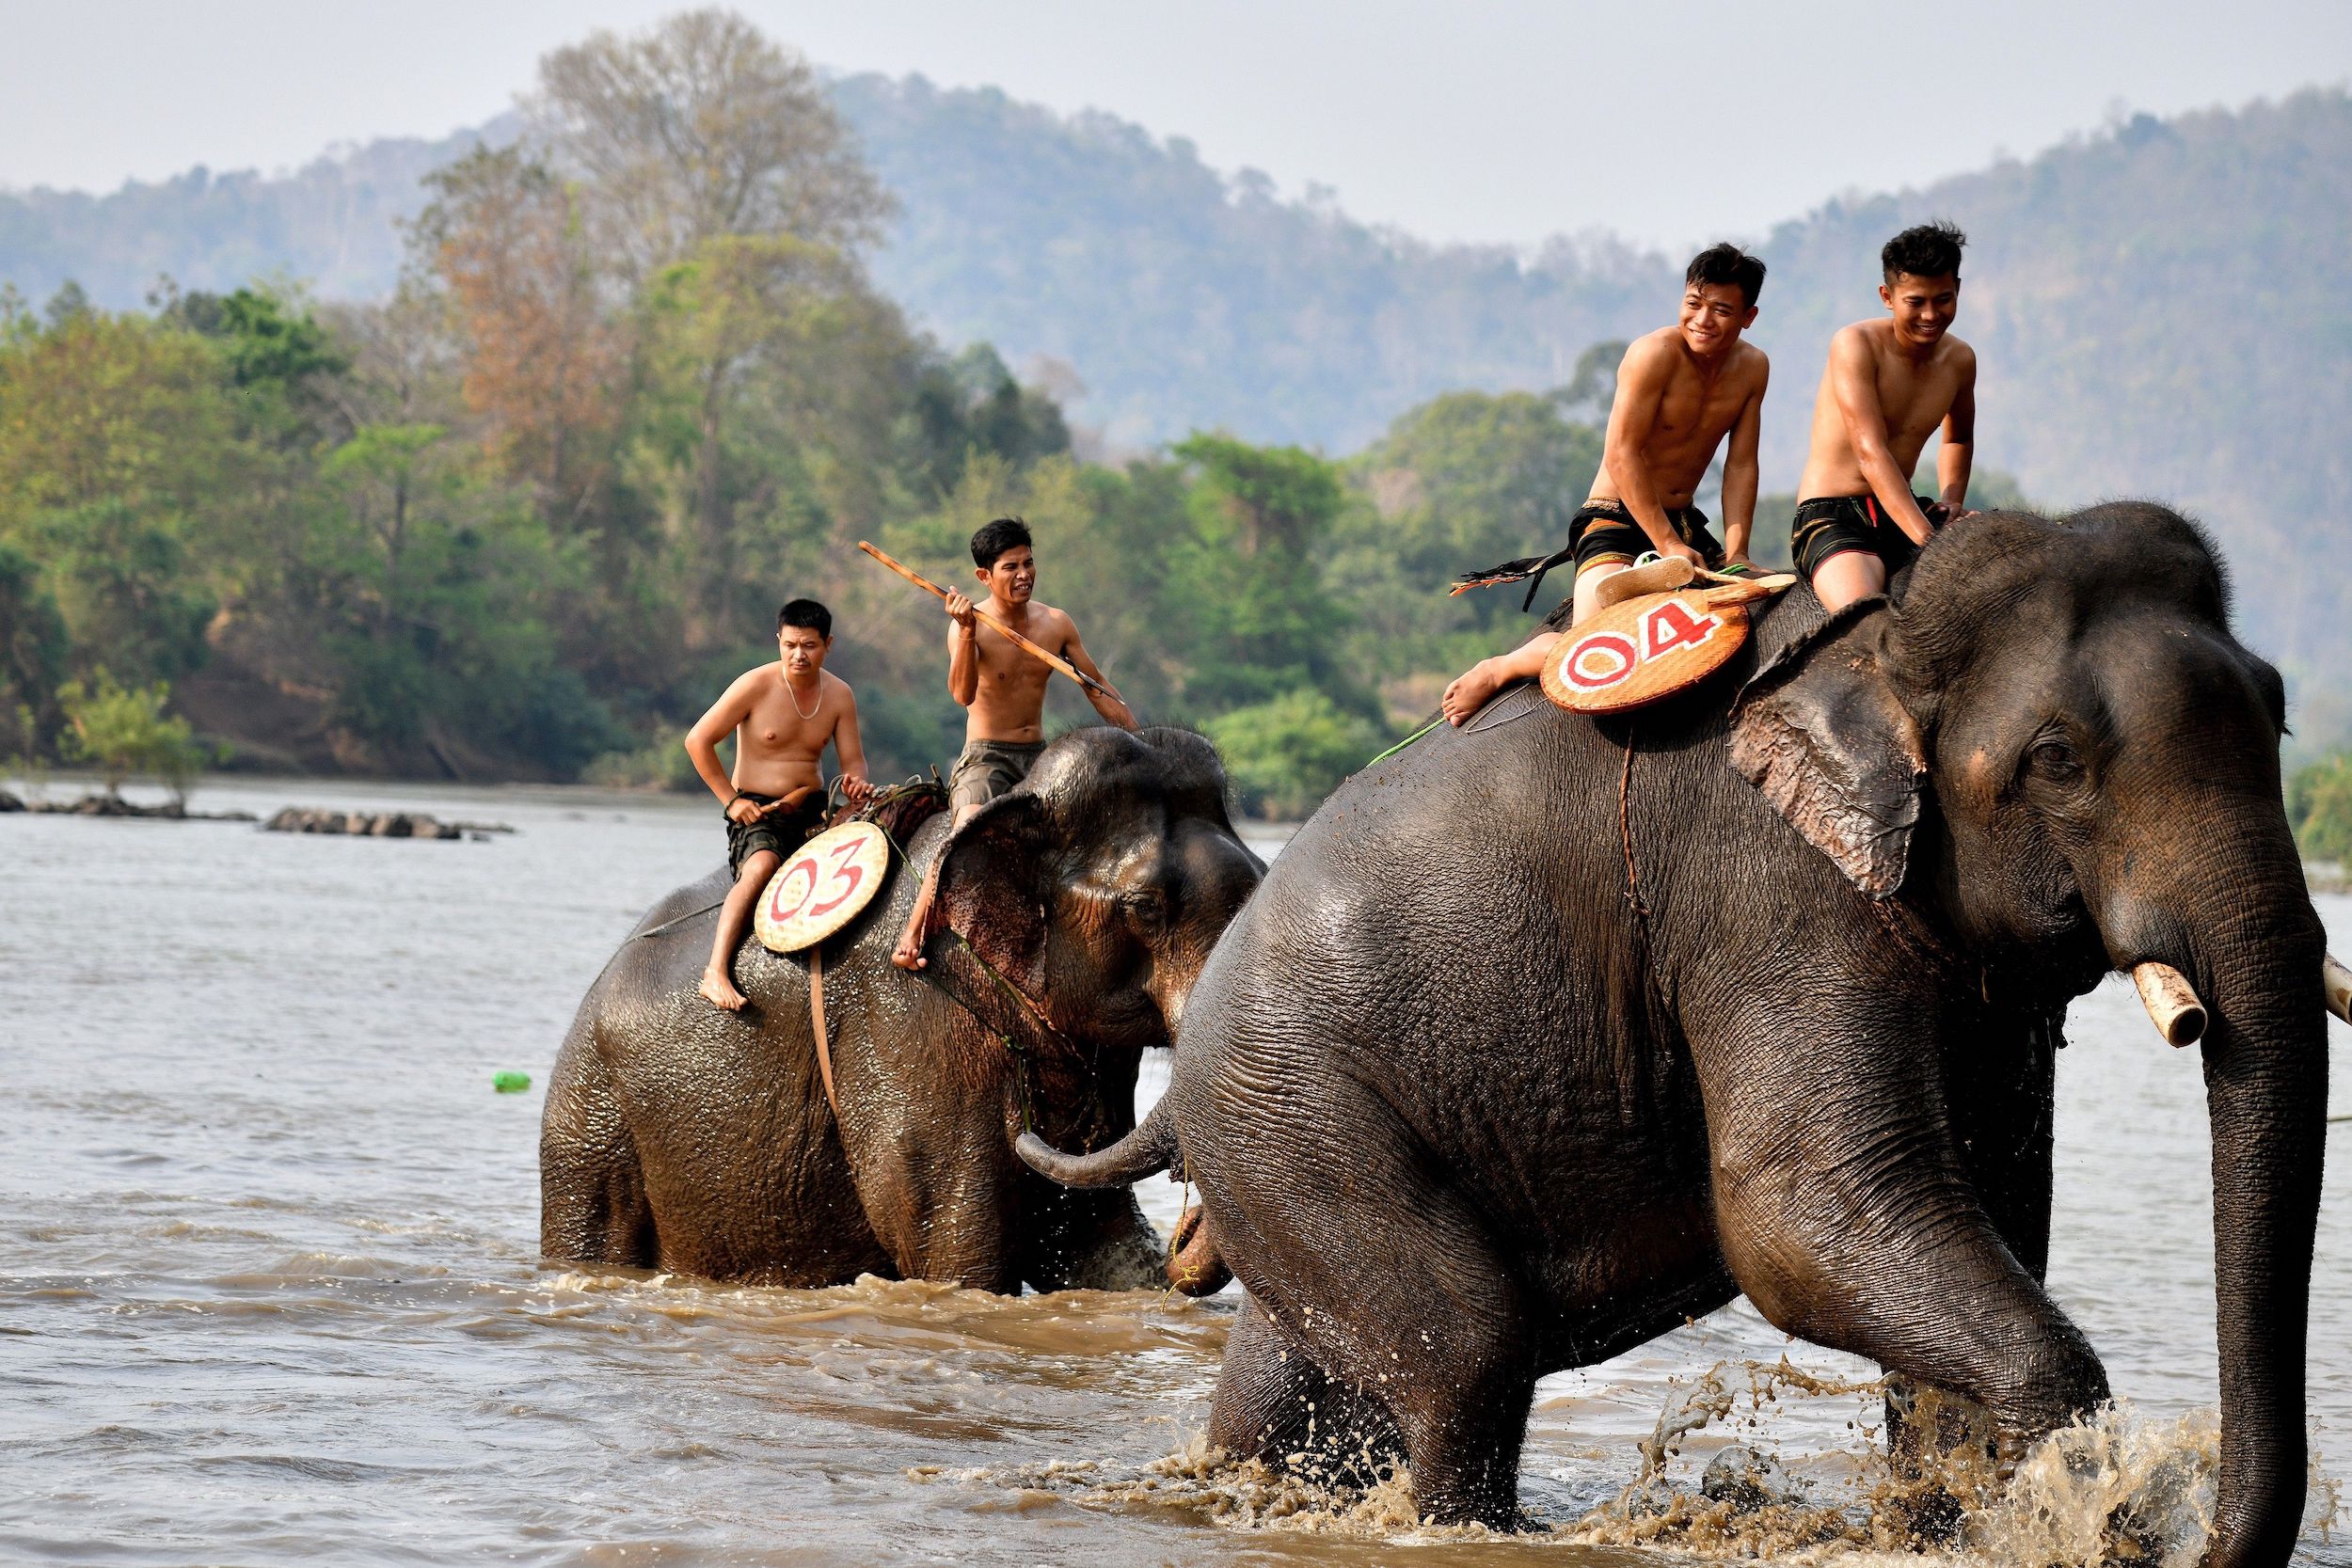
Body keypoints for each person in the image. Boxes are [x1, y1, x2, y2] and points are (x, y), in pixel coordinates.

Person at [1440, 244, 1770, 724]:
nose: (1702, 319)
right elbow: (1621, 453)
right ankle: (1505, 666)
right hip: (1615, 517)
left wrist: (1738, 552)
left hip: (1684, 525)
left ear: (1748, 316)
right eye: (1694, 303)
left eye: (1721, 310)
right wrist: (1667, 544)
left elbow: (1741, 464)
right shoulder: (1653, 354)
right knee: (1592, 648)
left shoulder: (1753, 368)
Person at [892, 516, 1135, 970]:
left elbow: (1097, 686)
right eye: (1010, 567)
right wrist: (965, 631)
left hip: (1039, 757)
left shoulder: (1055, 623)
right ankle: (913, 934)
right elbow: (962, 695)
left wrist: (1140, 742)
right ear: (984, 576)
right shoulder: (970, 626)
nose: (1023, 574)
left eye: (1028, 563)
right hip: (987, 757)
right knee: (964, 832)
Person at [686, 598, 871, 1012]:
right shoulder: (755, 684)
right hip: (756, 810)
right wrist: (731, 801)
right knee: (762, 866)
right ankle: (715, 971)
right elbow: (697, 741)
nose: (798, 655)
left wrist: (857, 783)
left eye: (808, 645)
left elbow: (852, 762)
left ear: (828, 645)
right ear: (779, 642)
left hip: (812, 808)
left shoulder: (839, 695)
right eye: (790, 645)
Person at [1790, 220, 1978, 613]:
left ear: (1957, 290)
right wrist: (1930, 540)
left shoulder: (1959, 359)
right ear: (1887, 296)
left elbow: (1957, 437)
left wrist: (1950, 501)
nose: (1931, 314)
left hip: (1905, 508)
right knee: (1865, 617)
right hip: (1834, 513)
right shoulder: (1855, 344)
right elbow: (1869, 451)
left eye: (1943, 299)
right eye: (1915, 302)